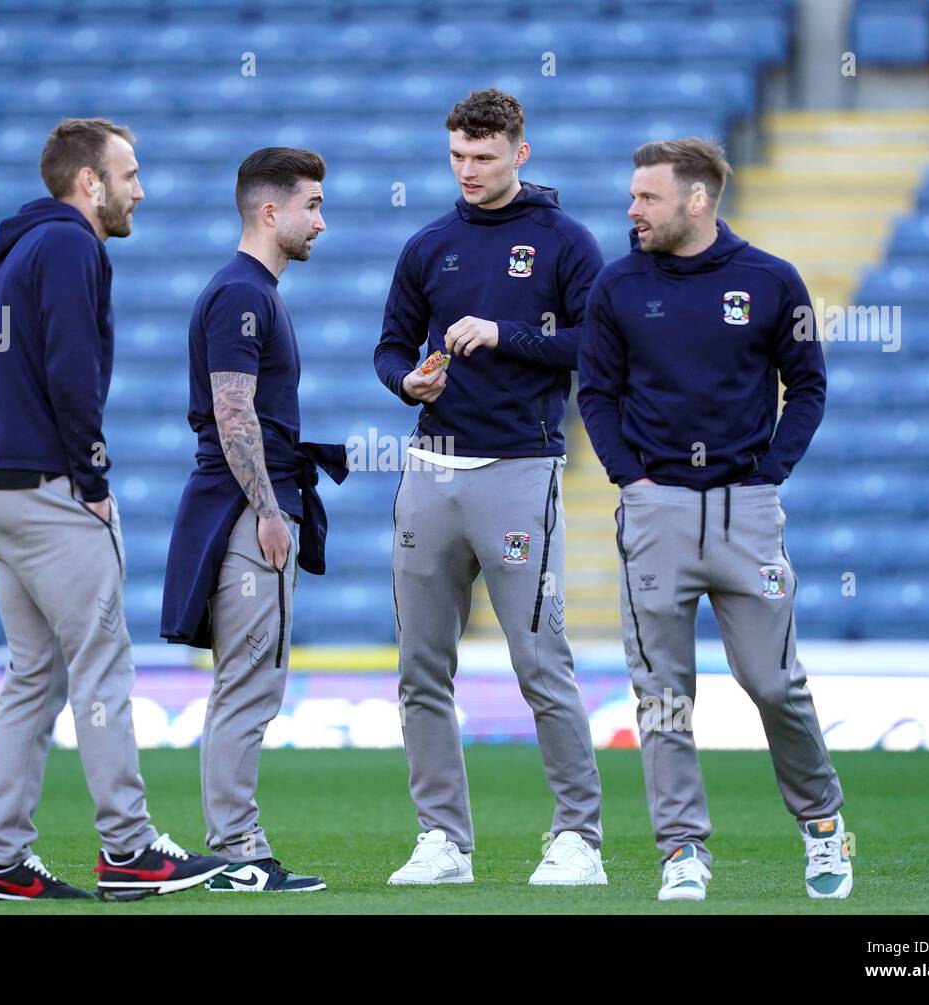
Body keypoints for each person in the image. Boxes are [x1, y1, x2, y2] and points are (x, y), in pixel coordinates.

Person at [0, 117, 228, 902]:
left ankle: (0, 857)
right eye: (129, 175)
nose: (139, 190)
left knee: (33, 676)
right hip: (49, 487)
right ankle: (129, 847)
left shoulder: (18, 251)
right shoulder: (73, 246)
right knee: (102, 665)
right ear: (89, 182)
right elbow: (71, 371)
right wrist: (95, 478)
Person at [577, 137, 852, 901]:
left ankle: (824, 825)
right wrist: (630, 479)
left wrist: (768, 475)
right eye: (633, 194)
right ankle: (681, 848)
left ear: (696, 199)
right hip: (654, 510)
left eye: (648, 196)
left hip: (746, 511)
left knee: (774, 682)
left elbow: (808, 386)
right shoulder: (617, 284)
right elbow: (595, 392)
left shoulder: (771, 280)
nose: (633, 209)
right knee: (662, 695)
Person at [374, 88, 606, 886]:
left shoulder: (565, 242)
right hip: (430, 470)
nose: (468, 170)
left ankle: (578, 837)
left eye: (483, 156)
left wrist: (506, 334)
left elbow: (598, 346)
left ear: (519, 153)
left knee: (540, 662)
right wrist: (406, 381)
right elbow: (389, 347)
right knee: (420, 668)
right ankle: (443, 839)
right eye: (457, 156)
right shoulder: (429, 245)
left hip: (520, 470)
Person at [160, 147, 347, 893]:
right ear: (272, 212)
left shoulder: (252, 291)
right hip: (248, 509)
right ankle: (238, 851)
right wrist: (269, 511)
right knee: (248, 685)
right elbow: (233, 411)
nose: (321, 223)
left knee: (247, 684)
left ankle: (236, 845)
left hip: (245, 502)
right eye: (312, 206)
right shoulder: (242, 292)